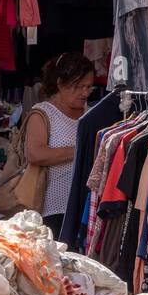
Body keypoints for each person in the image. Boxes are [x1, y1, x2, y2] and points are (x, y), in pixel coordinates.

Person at [25, 52, 95, 238]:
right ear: (60, 83)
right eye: (79, 86)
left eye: (89, 87)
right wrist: (82, 150)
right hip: (51, 208)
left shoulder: (91, 116)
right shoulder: (43, 114)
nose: (85, 93)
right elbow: (35, 154)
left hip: (84, 208)